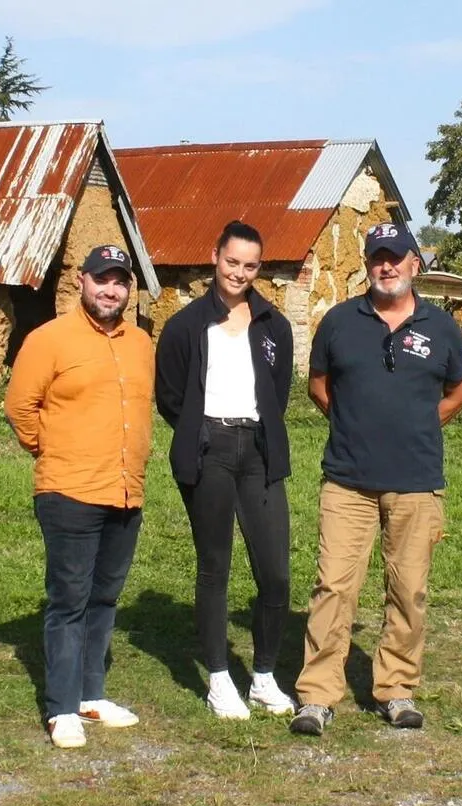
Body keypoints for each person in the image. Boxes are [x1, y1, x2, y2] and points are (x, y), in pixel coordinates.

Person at [290, 222, 462, 736]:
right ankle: (318, 696)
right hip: (347, 481)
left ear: (416, 263)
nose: (386, 266)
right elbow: (318, 387)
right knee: (333, 587)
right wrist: (355, 427)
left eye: (395, 257)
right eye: (376, 258)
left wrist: (416, 426)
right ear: (366, 265)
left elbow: (458, 392)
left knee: (408, 589)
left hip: (416, 481)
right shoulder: (340, 322)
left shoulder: (440, 327)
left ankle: (396, 690)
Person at [5, 244, 154, 749]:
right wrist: (57, 451)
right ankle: (61, 707)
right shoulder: (49, 339)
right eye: (102, 280)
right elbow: (21, 407)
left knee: (104, 596)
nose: (111, 290)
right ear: (81, 282)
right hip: (69, 489)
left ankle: (92, 694)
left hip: (125, 489)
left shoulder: (139, 343)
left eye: (120, 282)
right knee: (69, 599)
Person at [156, 221, 294, 719]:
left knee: (276, 574)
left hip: (258, 451)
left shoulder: (273, 325)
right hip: (208, 449)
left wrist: (254, 432)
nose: (239, 273)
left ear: (260, 269)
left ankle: (263, 675)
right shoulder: (187, 325)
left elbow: (278, 393)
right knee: (215, 566)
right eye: (232, 261)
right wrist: (203, 430)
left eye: (250, 265)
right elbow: (170, 397)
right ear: (215, 256)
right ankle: (218, 678)